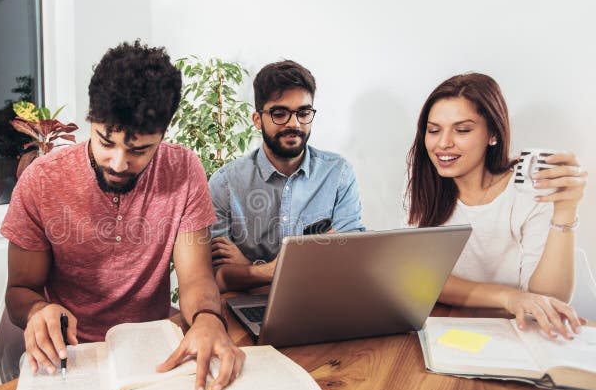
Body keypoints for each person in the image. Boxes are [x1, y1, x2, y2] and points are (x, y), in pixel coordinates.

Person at [1, 41, 244, 390]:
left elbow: (195, 278)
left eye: (139, 150)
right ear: (91, 121)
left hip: (154, 351)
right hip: (71, 355)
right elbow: (19, 291)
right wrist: (39, 309)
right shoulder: (41, 180)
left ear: (163, 135)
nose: (118, 163)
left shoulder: (184, 169)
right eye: (105, 142)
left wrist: (208, 319)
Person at [406, 73, 588, 339]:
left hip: (517, 332)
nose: (443, 143)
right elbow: (418, 279)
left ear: (493, 133)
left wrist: (565, 210)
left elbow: (547, 300)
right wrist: (507, 296)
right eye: (433, 131)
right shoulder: (423, 185)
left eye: (462, 130)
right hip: (450, 330)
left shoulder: (528, 190)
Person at [209, 60, 365, 291]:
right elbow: (218, 278)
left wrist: (254, 268)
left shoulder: (339, 174)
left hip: (320, 300)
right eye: (279, 113)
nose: (294, 124)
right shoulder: (225, 184)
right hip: (249, 304)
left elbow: (349, 262)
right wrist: (306, 262)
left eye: (303, 112)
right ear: (257, 120)